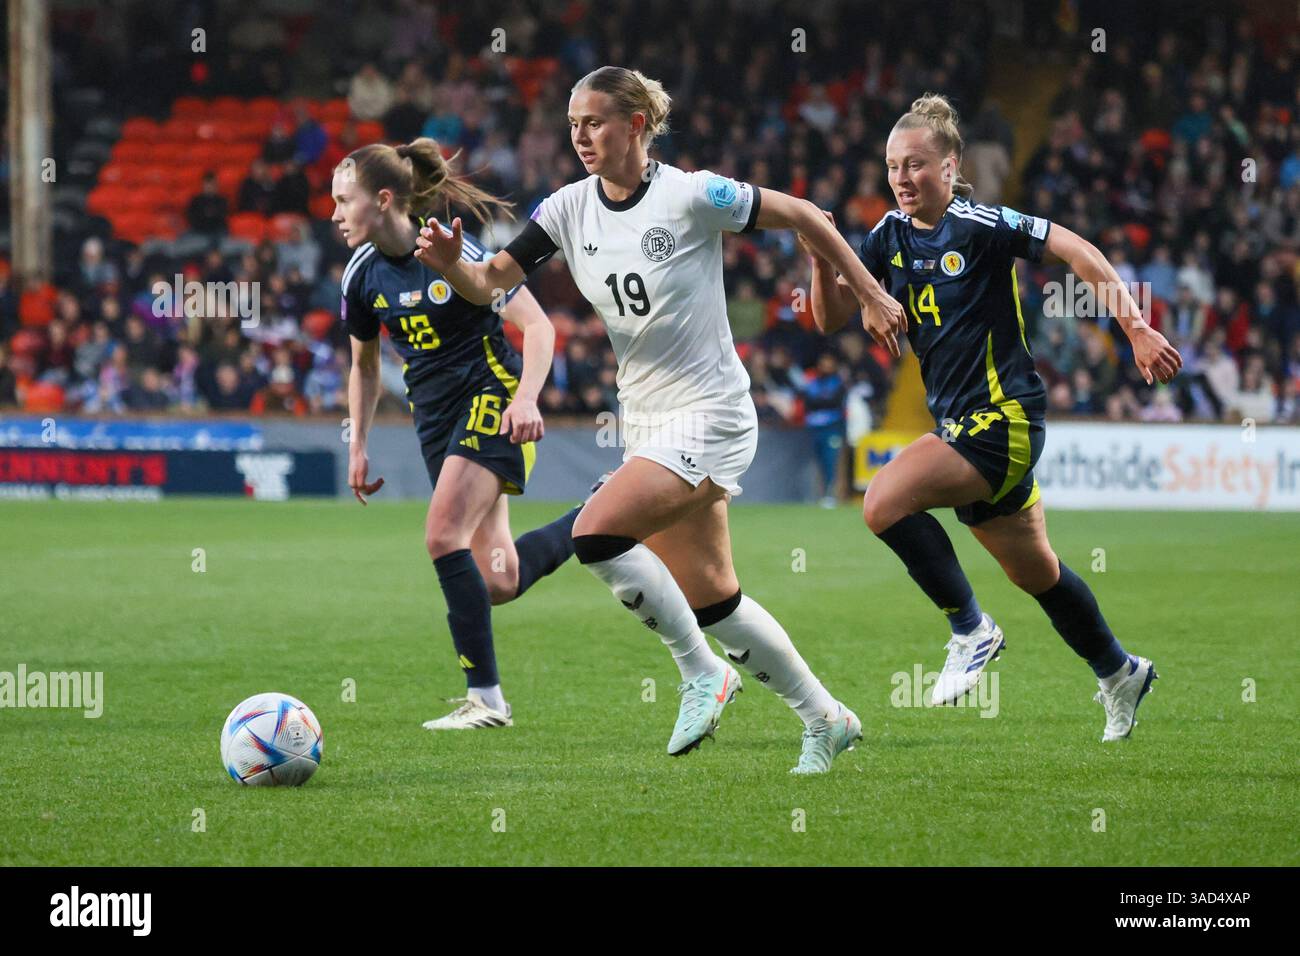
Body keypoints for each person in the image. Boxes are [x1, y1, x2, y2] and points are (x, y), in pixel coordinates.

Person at [416, 66, 908, 774]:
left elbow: (806, 215)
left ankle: (702, 674)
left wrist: (866, 292)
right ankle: (826, 718)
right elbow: (491, 279)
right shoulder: (566, 209)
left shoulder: (691, 194)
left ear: (637, 125)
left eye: (595, 122)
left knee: (596, 533)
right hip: (646, 418)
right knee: (716, 598)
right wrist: (450, 268)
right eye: (573, 124)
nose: (581, 136)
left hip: (710, 412)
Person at [803, 94, 1183, 741]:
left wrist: (1137, 327)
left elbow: (1078, 251)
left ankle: (971, 629)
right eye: (894, 165)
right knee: (1037, 572)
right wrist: (822, 259)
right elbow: (828, 318)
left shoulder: (980, 224)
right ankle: (1120, 672)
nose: (902, 178)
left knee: (883, 501)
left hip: (1004, 417)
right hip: (960, 425)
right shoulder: (886, 238)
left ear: (950, 167)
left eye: (917, 164)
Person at [334, 138, 581, 731]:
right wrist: (360, 443)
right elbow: (364, 366)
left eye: (345, 200)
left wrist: (525, 399)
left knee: (442, 534)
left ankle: (486, 699)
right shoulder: (361, 276)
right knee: (498, 578)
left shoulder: (452, 252)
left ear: (384, 200)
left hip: (492, 402)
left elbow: (538, 326)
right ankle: (597, 515)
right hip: (436, 423)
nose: (335, 213)